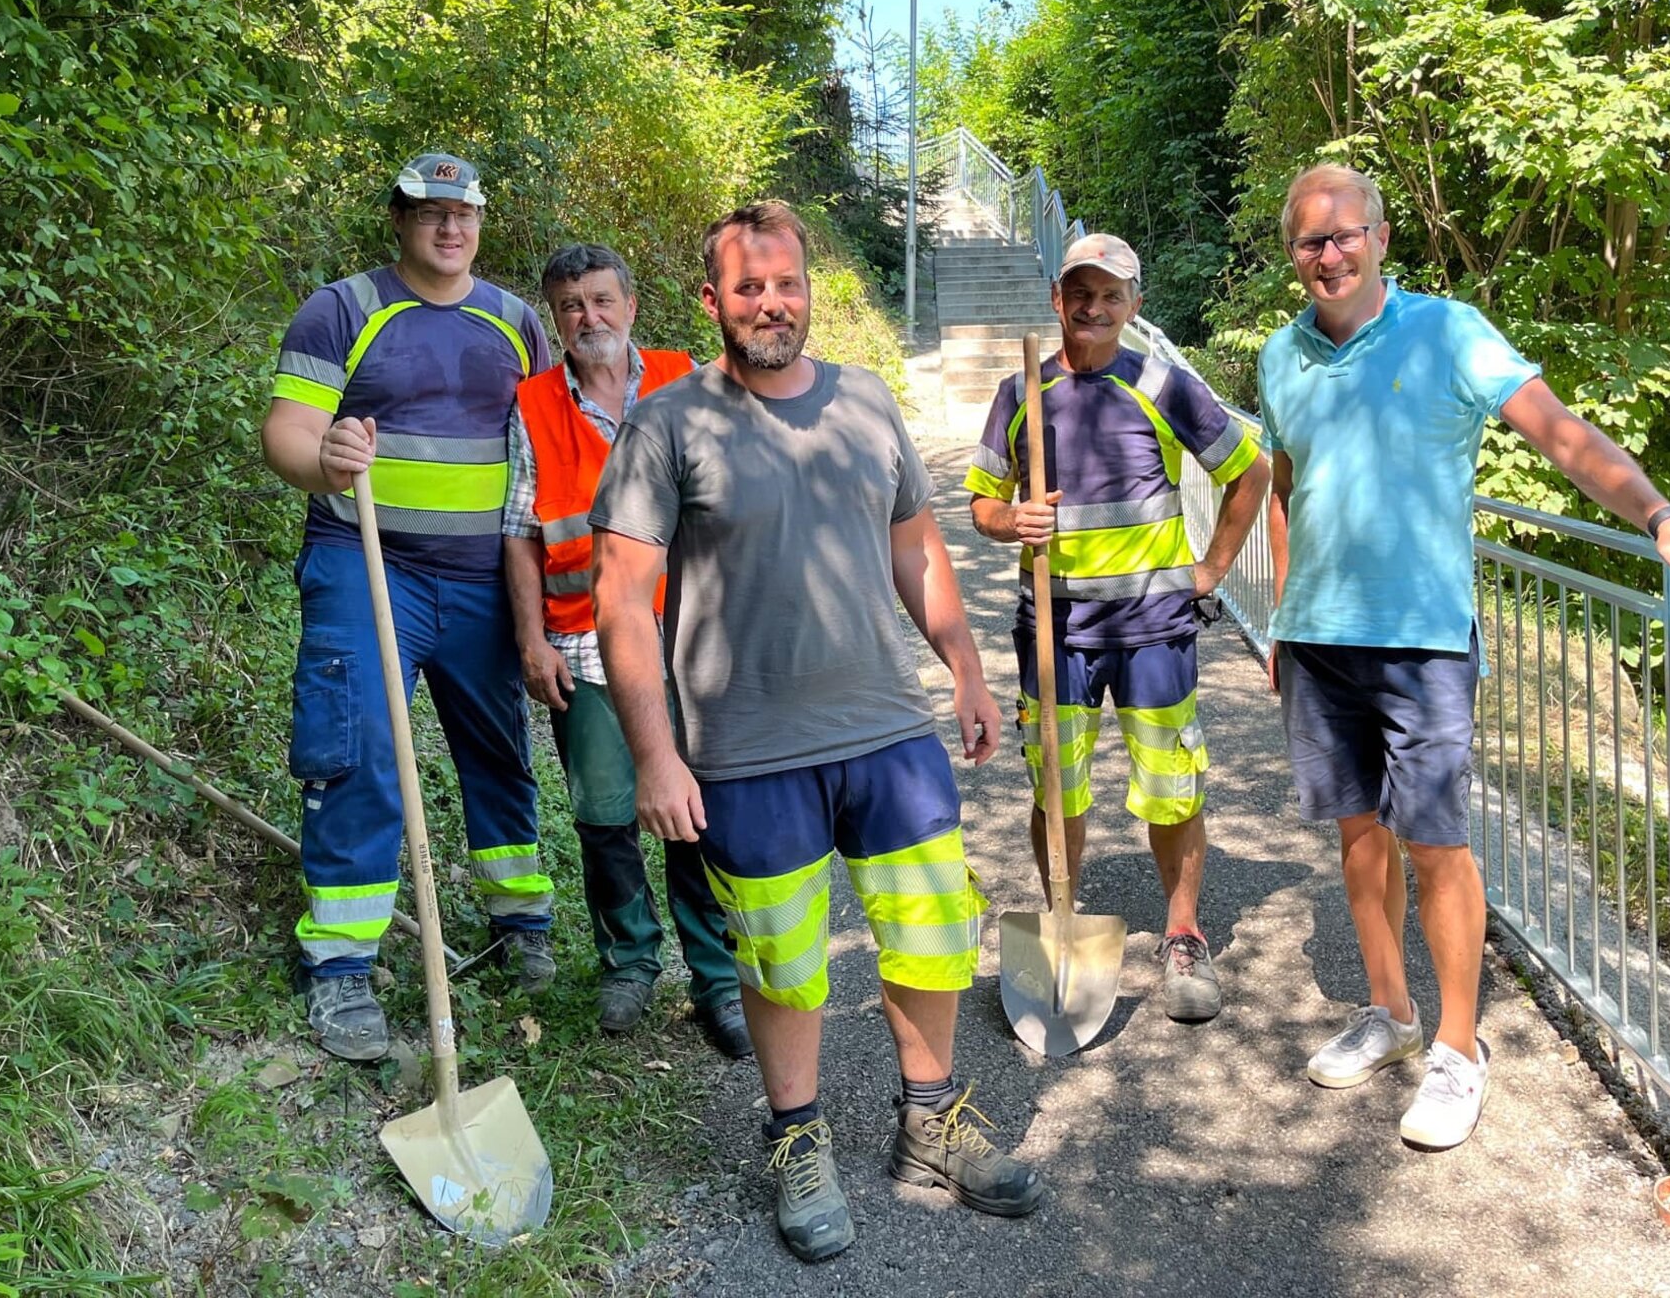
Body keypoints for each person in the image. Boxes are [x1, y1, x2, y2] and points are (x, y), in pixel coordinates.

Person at [591, 201, 1045, 1263]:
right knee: (785, 962)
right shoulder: (666, 426)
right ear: (711, 301)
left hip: (885, 726)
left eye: (784, 284)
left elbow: (916, 549)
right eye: (746, 287)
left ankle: (928, 1120)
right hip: (746, 750)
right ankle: (797, 1137)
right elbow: (619, 602)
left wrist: (966, 669)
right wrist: (653, 754)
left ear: (807, 290)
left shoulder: (865, 403)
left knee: (934, 930)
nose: (769, 303)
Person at [1259, 163, 1670, 1149]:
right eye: (1309, 240)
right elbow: (1282, 484)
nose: (1328, 253)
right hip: (1316, 638)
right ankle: (1390, 1014)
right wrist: (1278, 616)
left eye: (1344, 232)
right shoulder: (1278, 358)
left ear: (1380, 237)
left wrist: (1660, 513)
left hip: (1422, 638)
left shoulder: (1447, 331)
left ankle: (1454, 1049)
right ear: (1292, 256)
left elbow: (1561, 436)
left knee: (1433, 844)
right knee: (1355, 832)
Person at [262, 152, 558, 1062]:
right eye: (430, 213)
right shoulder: (343, 309)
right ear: (400, 219)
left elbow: (557, 446)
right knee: (357, 748)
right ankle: (344, 963)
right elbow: (288, 433)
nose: (449, 229)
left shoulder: (516, 323)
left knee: (498, 744)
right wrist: (327, 461)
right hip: (365, 561)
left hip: (483, 577)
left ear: (480, 221)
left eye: (463, 213)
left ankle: (522, 918)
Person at [965, 232, 1271, 1021]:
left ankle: (1182, 932)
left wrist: (1210, 570)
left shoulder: (1166, 385)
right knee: (1055, 785)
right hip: (1055, 633)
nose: (1093, 308)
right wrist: (1013, 520)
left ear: (1134, 305)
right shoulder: (1020, 393)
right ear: (1057, 299)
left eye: (1110, 295)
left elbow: (1249, 471)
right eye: (1081, 293)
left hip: (1153, 630)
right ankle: (1060, 923)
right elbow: (980, 504)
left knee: (1171, 788)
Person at [502, 243, 750, 1057]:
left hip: (691, 638)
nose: (589, 318)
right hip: (582, 645)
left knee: (694, 815)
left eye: (602, 301)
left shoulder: (688, 377)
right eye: (571, 306)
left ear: (631, 306)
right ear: (555, 319)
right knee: (604, 816)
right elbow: (519, 532)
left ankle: (717, 978)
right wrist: (531, 637)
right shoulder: (533, 403)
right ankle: (628, 963)